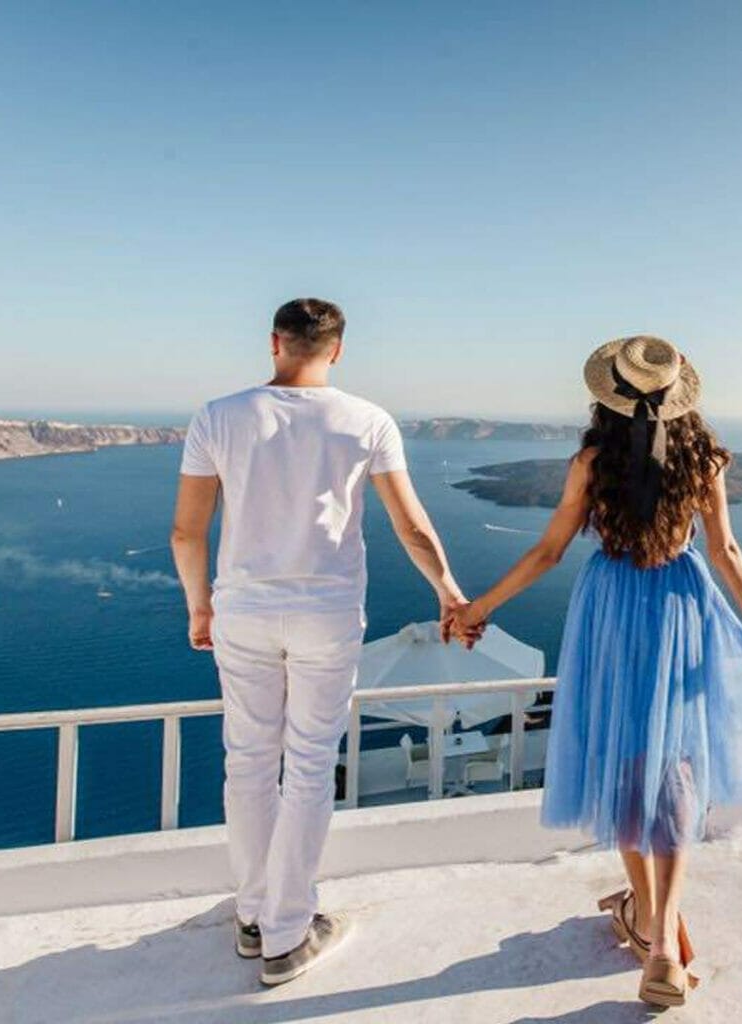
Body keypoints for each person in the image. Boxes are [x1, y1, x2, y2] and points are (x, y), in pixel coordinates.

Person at [448, 335, 742, 1008]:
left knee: (627, 760)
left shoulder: (592, 461)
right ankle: (662, 940)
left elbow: (550, 552)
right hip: (681, 608)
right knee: (676, 767)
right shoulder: (705, 461)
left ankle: (645, 916)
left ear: (607, 395)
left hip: (610, 611)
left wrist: (479, 608)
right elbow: (723, 549)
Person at [170, 298, 472, 986]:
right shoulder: (367, 422)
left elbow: (186, 531)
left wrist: (199, 607)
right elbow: (412, 528)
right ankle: (287, 932)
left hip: (241, 612)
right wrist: (450, 593)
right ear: (336, 350)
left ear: (274, 342)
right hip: (327, 615)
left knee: (247, 762)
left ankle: (254, 919)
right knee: (308, 766)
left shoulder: (217, 417)